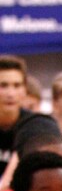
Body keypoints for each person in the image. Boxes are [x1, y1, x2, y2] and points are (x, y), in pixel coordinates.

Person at [0, 54, 33, 184]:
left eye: (17, 85)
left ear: (25, 90)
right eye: (3, 85)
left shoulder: (35, 124)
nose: (11, 93)